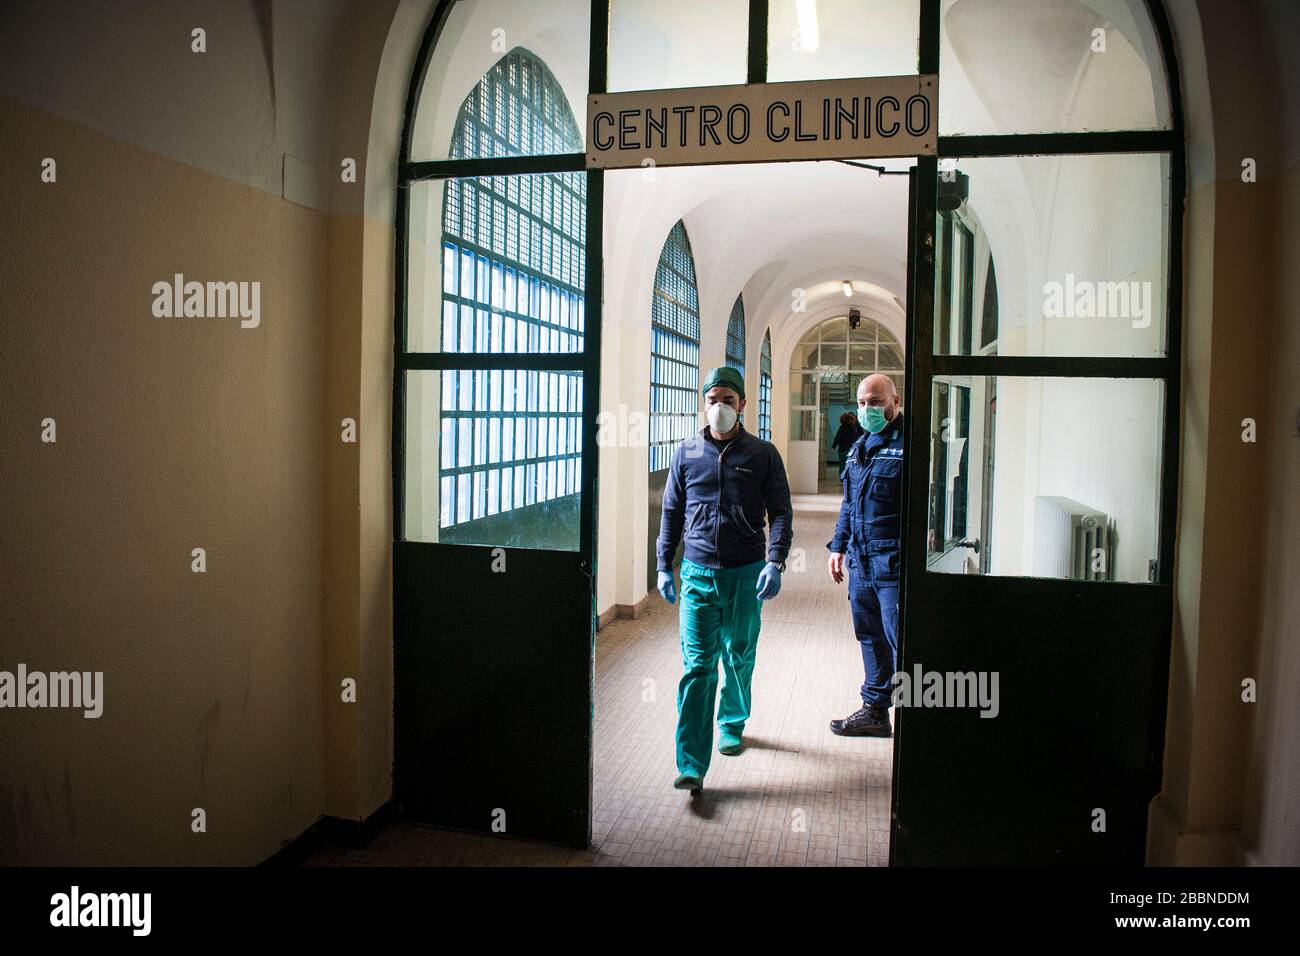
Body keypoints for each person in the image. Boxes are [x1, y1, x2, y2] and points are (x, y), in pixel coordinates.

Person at [656, 366, 793, 792]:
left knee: (738, 652)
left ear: (743, 406)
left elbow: (782, 512)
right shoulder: (686, 453)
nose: (719, 408)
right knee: (698, 666)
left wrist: (776, 560)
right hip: (697, 571)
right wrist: (663, 563)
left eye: (728, 401)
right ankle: (692, 762)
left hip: (745, 571)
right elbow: (671, 512)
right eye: (712, 399)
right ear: (704, 403)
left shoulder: (762, 454)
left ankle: (732, 721)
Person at [826, 374, 903, 737]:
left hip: (894, 564)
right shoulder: (860, 446)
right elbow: (849, 504)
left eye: (875, 401)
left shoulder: (910, 446)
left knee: (901, 638)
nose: (866, 409)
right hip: (861, 562)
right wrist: (838, 546)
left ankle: (919, 716)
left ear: (895, 401)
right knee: (869, 635)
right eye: (861, 403)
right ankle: (875, 711)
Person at [831, 411, 865, 483]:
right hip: (852, 450)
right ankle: (850, 478)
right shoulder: (856, 428)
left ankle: (842, 478)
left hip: (842, 450)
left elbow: (838, 437)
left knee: (842, 465)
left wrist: (833, 446)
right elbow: (861, 438)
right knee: (852, 465)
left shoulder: (842, 427)